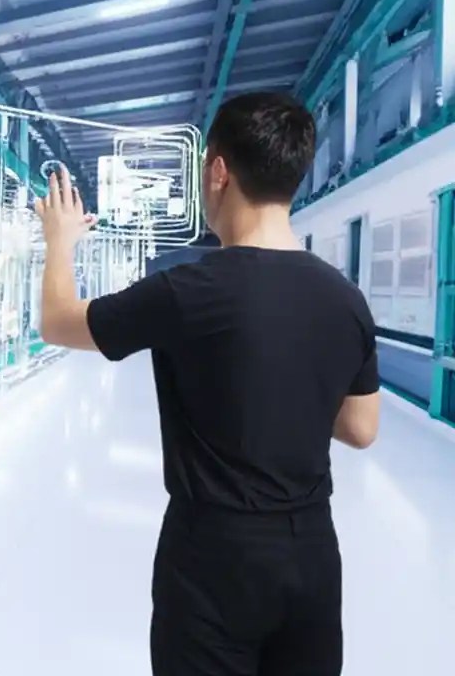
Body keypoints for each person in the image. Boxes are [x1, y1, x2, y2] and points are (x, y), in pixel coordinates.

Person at [33, 91, 380, 676]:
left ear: (218, 172)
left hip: (212, 559)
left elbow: (58, 323)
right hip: (312, 552)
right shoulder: (346, 299)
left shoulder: (186, 289)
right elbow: (360, 427)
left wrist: (60, 242)